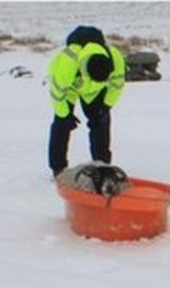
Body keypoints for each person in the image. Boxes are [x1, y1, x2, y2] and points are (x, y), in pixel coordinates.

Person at [47, 26, 126, 178]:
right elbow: (57, 94)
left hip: (96, 92)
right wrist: (65, 115)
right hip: (70, 89)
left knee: (101, 122)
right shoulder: (67, 62)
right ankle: (58, 168)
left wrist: (107, 105)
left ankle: (102, 166)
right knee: (61, 125)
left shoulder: (115, 59)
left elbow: (117, 86)